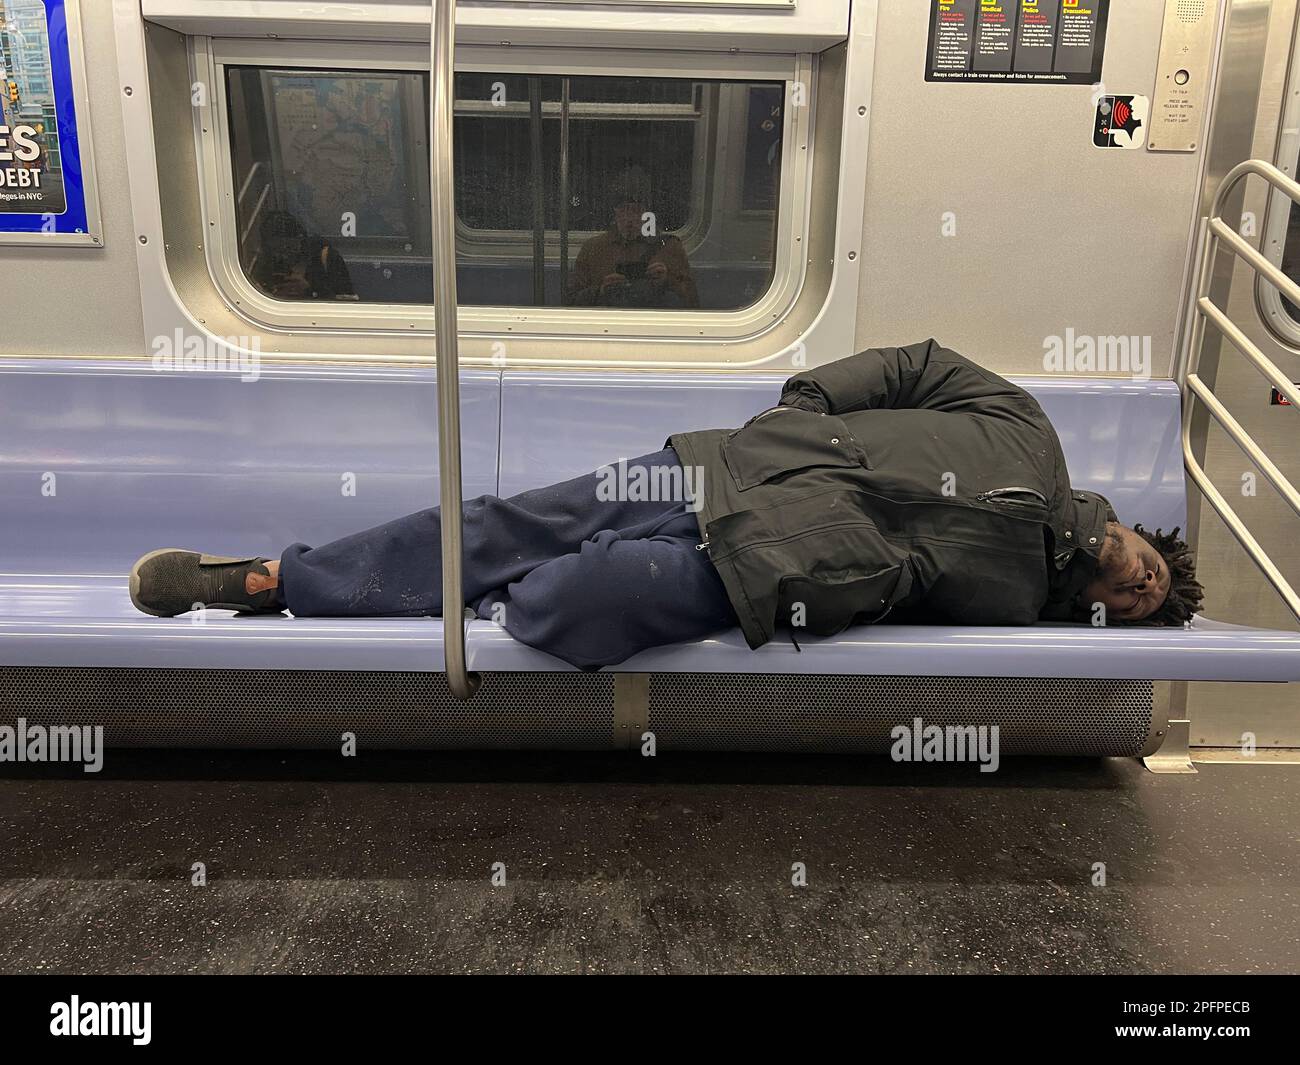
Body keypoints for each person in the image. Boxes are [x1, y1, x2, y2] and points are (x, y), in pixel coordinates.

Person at [129, 341, 1203, 669]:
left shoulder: (1020, 605)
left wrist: (828, 581)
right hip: (715, 468)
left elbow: (899, 598)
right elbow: (918, 365)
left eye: (1133, 605)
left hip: (763, 565)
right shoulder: (1030, 436)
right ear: (1138, 541)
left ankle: (437, 599)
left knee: (567, 604)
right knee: (505, 524)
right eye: (1148, 574)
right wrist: (808, 402)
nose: (1129, 586)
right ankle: (269, 580)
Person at [565, 168, 698, 309]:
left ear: (647, 213)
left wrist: (666, 282)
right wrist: (601, 291)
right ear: (614, 212)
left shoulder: (669, 248)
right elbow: (570, 302)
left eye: (636, 210)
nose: (629, 218)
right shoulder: (594, 249)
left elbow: (692, 304)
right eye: (623, 209)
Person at [250, 210, 356, 301]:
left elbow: (349, 300)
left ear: (300, 239)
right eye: (276, 251)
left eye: (288, 248)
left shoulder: (326, 257)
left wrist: (310, 291)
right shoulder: (268, 263)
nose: (283, 256)